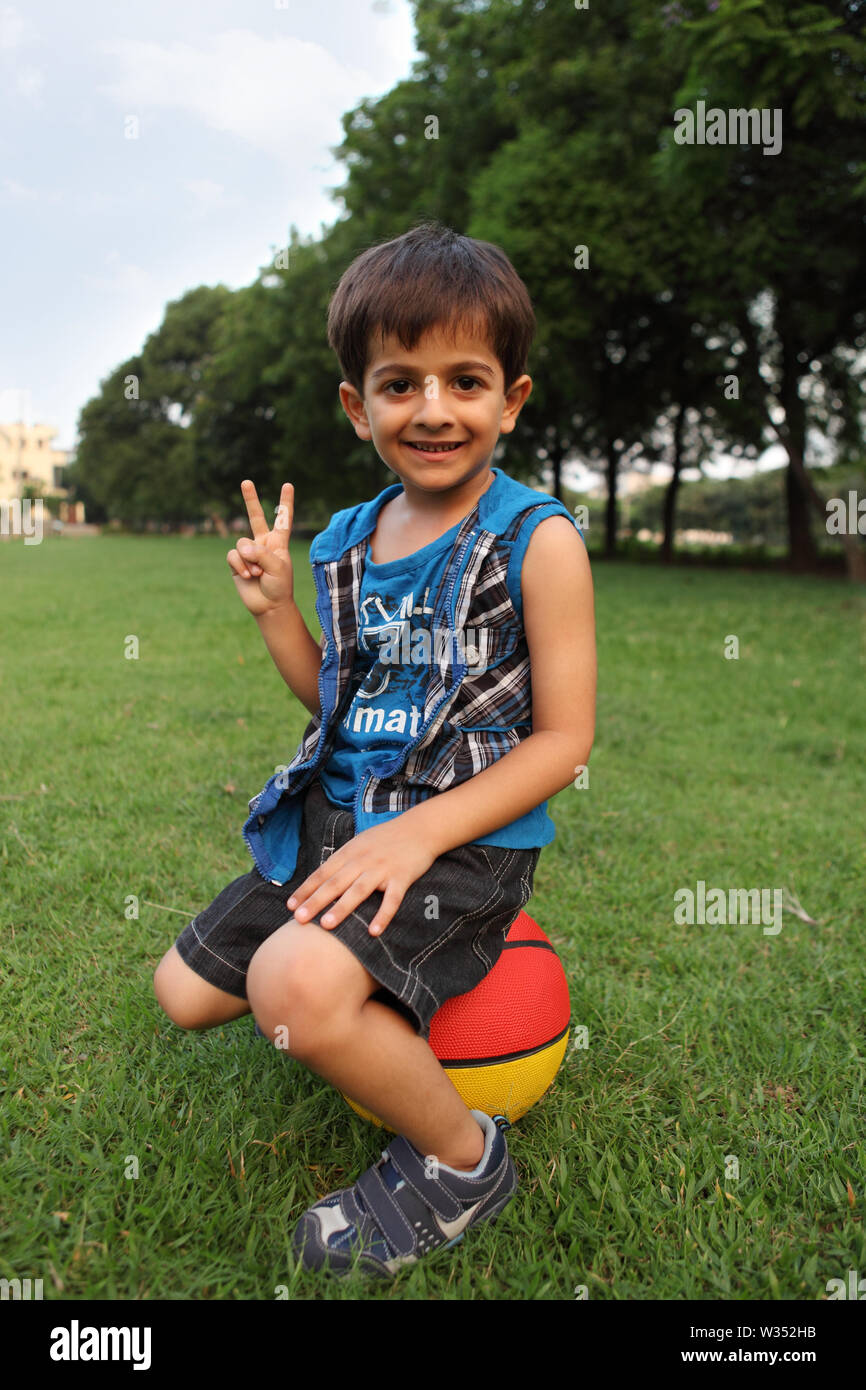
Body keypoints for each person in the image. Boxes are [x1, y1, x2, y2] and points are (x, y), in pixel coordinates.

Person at [153, 221, 596, 1278]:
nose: (434, 409)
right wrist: (273, 613)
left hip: (458, 843)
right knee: (184, 993)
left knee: (292, 990)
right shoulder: (342, 544)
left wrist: (417, 839)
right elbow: (340, 704)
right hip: (338, 829)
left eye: (465, 380)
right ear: (358, 406)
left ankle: (460, 1159)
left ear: (511, 399)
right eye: (399, 383)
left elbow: (564, 740)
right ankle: (360, 994)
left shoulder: (537, 543)